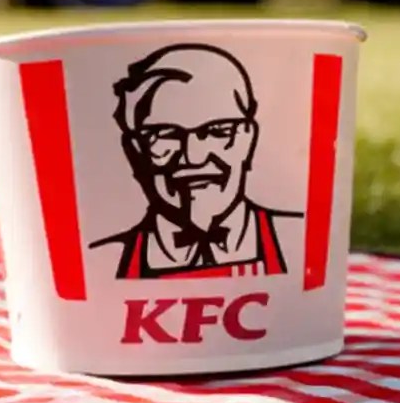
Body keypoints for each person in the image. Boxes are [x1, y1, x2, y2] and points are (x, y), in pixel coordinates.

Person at [90, 43, 302, 280]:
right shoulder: (102, 263)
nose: (194, 157)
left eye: (218, 130)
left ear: (248, 139)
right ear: (136, 151)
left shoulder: (299, 241)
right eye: (165, 134)